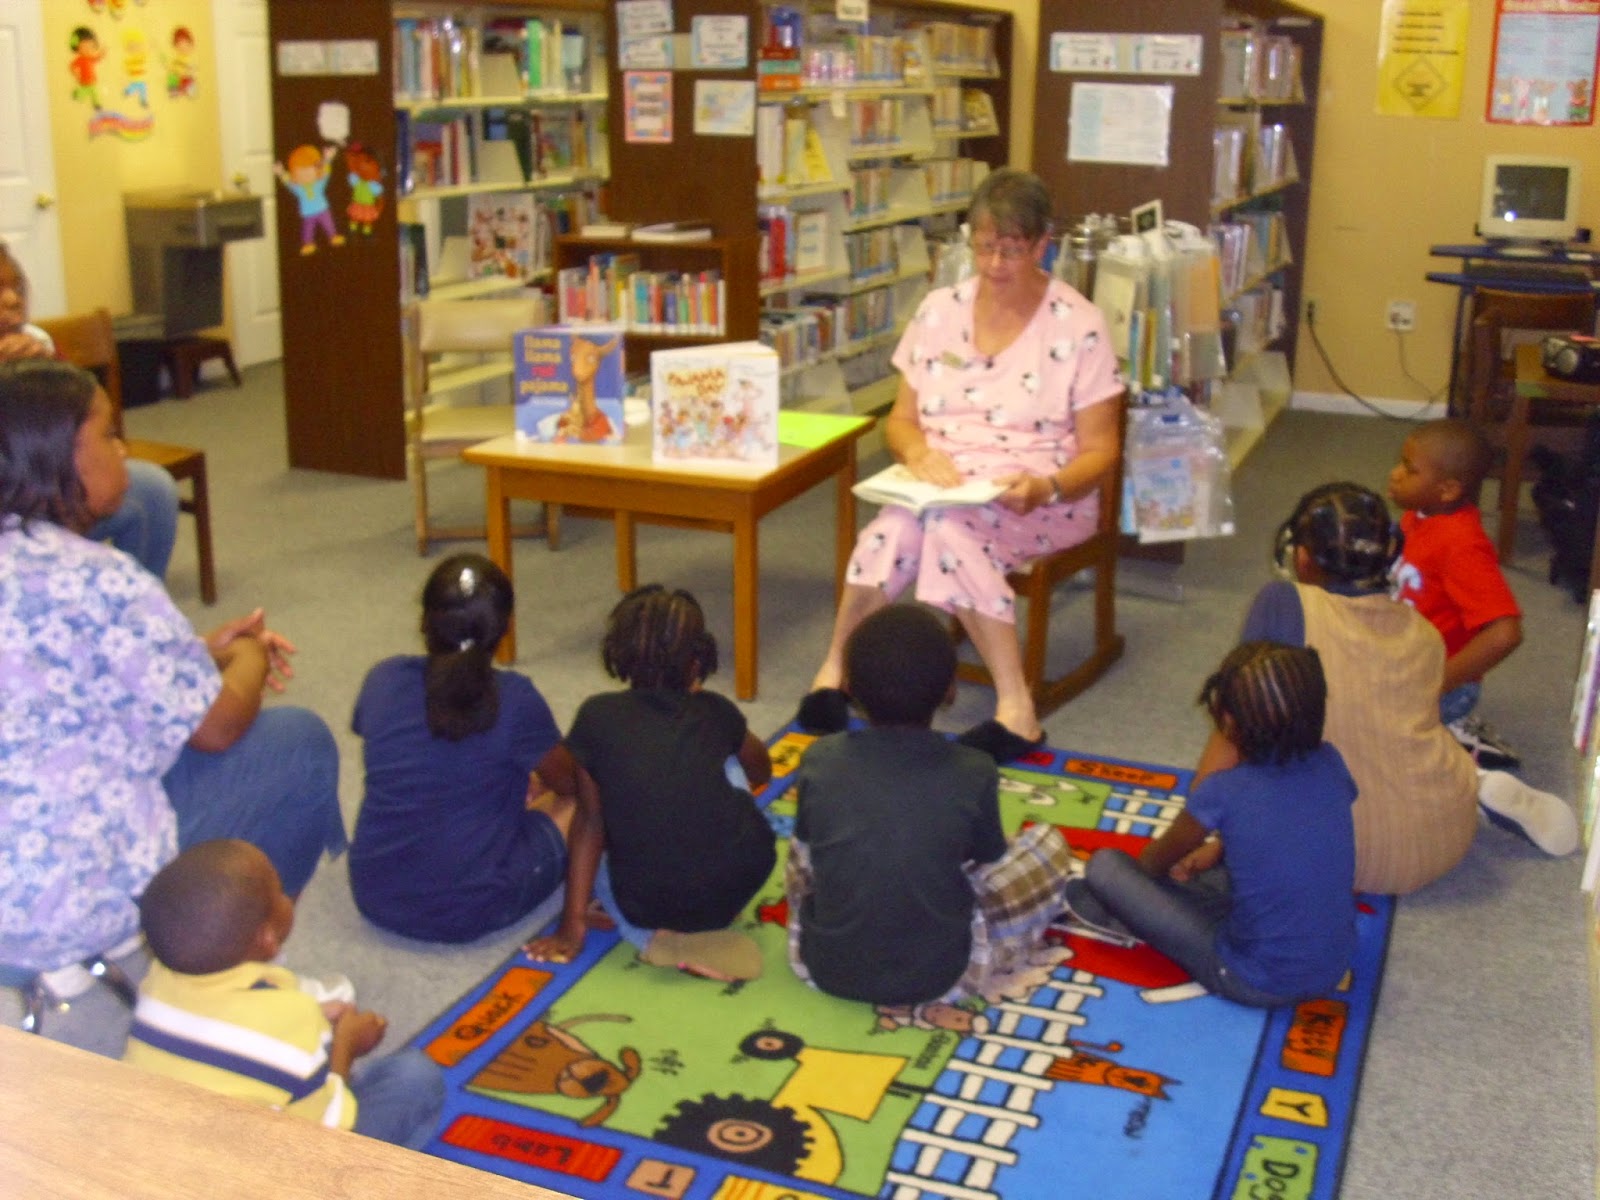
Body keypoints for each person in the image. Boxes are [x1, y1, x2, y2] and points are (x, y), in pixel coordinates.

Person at [0, 360, 345, 986]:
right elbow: (217, 726)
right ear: (59, 457)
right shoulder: (100, 578)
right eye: (108, 435)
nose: (123, 450)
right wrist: (250, 653)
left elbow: (59, 671)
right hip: (69, 901)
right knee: (298, 743)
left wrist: (193, 652)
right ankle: (231, 976)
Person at [794, 168, 1124, 764]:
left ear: (1042, 245)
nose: (994, 264)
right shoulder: (939, 310)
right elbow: (900, 422)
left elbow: (1102, 451)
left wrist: (1046, 487)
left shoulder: (1079, 325)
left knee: (946, 531)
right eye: (984, 246)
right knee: (888, 532)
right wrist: (918, 453)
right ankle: (835, 669)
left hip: (1041, 496)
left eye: (1011, 250)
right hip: (943, 487)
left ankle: (1016, 708)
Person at [1227, 481, 1576, 895]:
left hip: (1340, 859)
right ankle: (1474, 782)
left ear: (1302, 557)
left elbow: (1239, 728)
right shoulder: (1423, 631)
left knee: (1275, 745)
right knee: (1404, 735)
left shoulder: (1280, 602)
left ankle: (1475, 780)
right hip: (1446, 840)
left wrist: (1213, 822)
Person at [785, 604, 1072, 1007]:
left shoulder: (819, 758)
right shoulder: (974, 768)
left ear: (848, 687)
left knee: (807, 842)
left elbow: (808, 852)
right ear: (950, 690)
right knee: (1048, 843)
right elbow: (986, 858)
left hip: (818, 964)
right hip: (947, 976)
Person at [1064, 642, 1358, 1008]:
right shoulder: (1330, 762)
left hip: (1250, 977)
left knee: (1106, 867)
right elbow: (1293, 830)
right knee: (1243, 873)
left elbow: (1152, 864)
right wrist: (1218, 847)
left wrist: (1158, 880)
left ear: (1229, 723)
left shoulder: (1223, 791)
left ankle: (1129, 918)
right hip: (1333, 963)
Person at [526, 585, 775, 981]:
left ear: (618, 653)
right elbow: (761, 772)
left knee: (599, 852)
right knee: (726, 763)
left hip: (650, 901)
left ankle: (653, 938)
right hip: (740, 880)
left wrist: (572, 925)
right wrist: (705, 707)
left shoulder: (597, 717)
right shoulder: (715, 710)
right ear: (698, 659)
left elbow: (590, 822)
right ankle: (701, 920)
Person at [123, 840, 443, 1149]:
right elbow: (330, 1130)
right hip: (267, 1170)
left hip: (164, 1154)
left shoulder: (157, 983)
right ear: (267, 938)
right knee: (413, 1077)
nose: (286, 896)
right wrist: (347, 1044)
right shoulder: (294, 1017)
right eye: (279, 892)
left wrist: (308, 1021)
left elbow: (234, 1032)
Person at [349, 554, 569, 943]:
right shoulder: (516, 699)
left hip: (374, 893)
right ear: (506, 628)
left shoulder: (383, 679)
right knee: (582, 801)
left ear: (424, 621)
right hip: (469, 909)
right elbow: (573, 782)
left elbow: (418, 758)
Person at [0, 240, 180, 580]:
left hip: (52, 488)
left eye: (17, 288)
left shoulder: (36, 342)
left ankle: (134, 601)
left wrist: (45, 372)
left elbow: (89, 415)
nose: (12, 300)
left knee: (151, 491)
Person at [1387, 417, 1523, 768]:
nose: (1395, 474)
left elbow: (1505, 633)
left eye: (1409, 469)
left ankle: (1458, 737)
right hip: (1402, 660)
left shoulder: (1462, 545)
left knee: (1373, 745)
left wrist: (1436, 683)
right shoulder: (1419, 517)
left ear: (1447, 489)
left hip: (1440, 687)